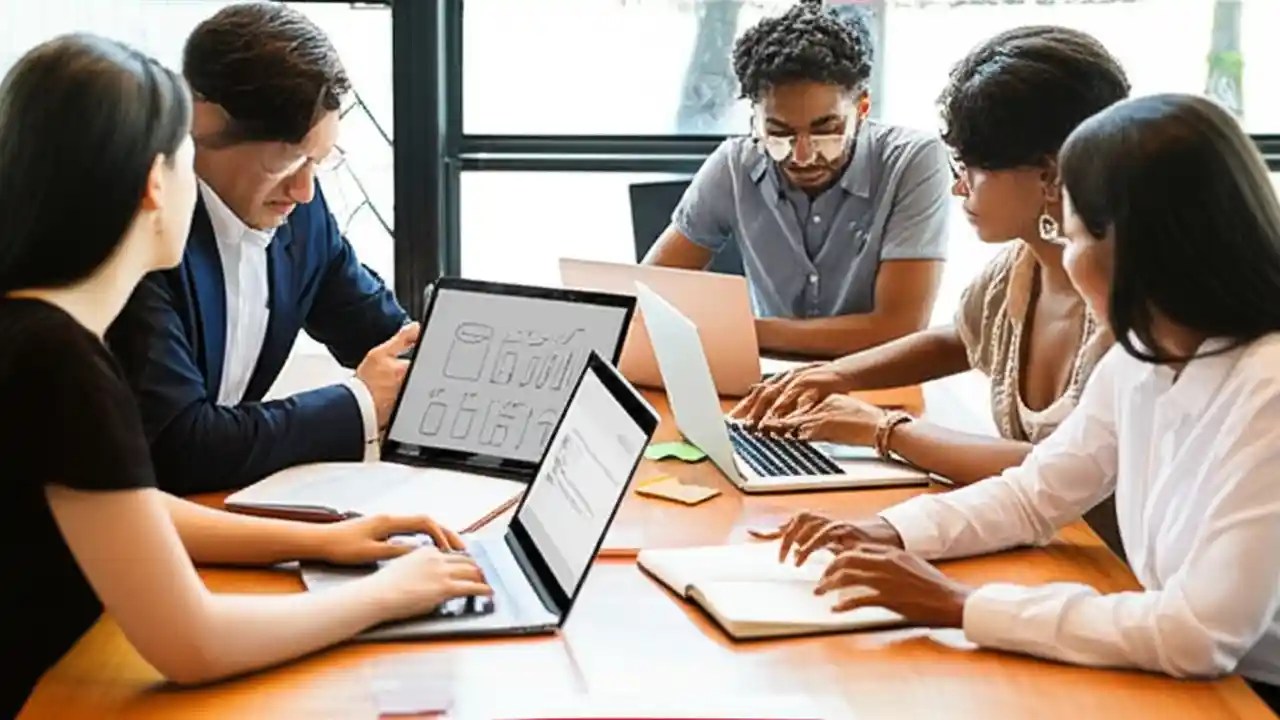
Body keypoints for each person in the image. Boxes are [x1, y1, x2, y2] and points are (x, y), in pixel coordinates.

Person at [0, 34, 491, 718]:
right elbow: (195, 644)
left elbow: (122, 506)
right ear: (154, 181)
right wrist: (387, 594)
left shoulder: (31, 333)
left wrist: (321, 540)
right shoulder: (62, 364)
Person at [757, 93, 1280, 710]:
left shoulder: (1266, 388)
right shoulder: (1141, 357)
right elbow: (1035, 494)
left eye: (1073, 233)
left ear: (1136, 246)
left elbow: (1198, 635)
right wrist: (887, 532)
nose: (1066, 255)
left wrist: (959, 604)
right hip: (1180, 672)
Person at [732, 26, 1128, 553]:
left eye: (969, 167)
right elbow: (961, 338)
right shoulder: (1021, 266)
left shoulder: (1126, 307)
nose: (956, 186)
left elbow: (1062, 476)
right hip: (1048, 546)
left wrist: (883, 429)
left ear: (1049, 173)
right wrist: (834, 376)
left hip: (1120, 576)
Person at [107, 2, 412, 495]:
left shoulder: (303, 215)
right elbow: (179, 446)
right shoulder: (142, 233)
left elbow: (385, 337)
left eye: (319, 161)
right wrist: (358, 403)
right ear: (201, 123)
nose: (305, 191)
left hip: (216, 513)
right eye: (287, 163)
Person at [644, 0, 950, 358]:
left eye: (827, 131)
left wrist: (742, 331)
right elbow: (648, 292)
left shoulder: (913, 160)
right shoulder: (735, 164)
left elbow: (898, 329)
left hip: (876, 385)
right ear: (755, 119)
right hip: (768, 385)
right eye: (779, 133)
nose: (802, 156)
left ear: (862, 109)